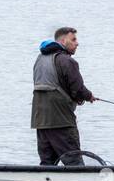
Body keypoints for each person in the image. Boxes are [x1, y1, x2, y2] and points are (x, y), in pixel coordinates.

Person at [32, 26, 95, 166]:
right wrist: (89, 96)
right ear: (63, 40)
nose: (77, 43)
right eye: (73, 39)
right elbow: (77, 90)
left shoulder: (40, 59)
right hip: (62, 121)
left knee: (47, 164)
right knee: (74, 163)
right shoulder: (67, 61)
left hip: (40, 121)